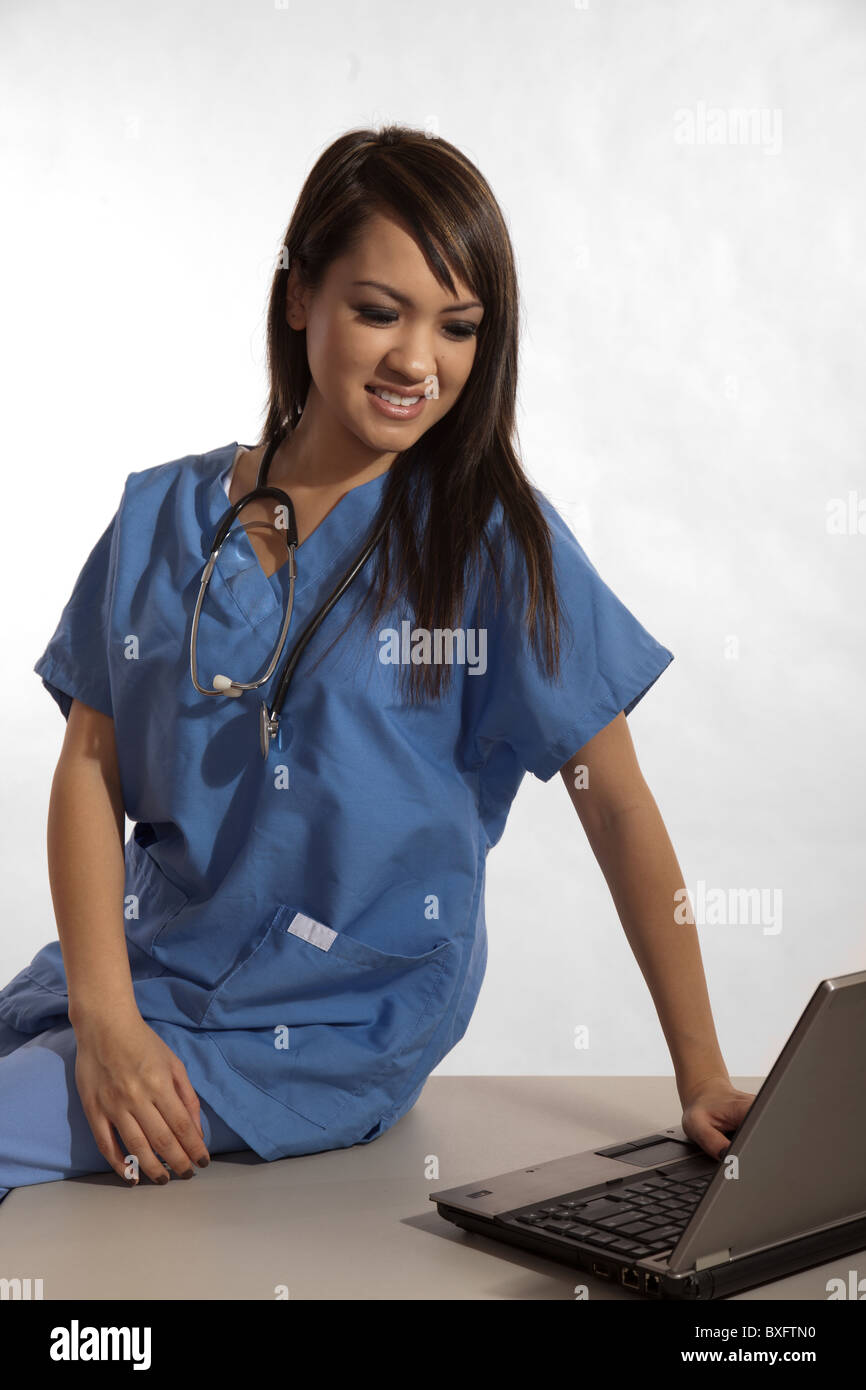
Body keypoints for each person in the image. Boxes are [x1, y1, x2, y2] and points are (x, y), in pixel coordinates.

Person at [0, 125, 755, 1202]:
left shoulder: (491, 543)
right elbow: (90, 768)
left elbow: (618, 807)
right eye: (378, 311)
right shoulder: (161, 515)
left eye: (458, 327)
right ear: (299, 294)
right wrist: (105, 1016)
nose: (417, 362)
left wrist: (702, 1073)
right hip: (147, 970)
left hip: (333, 1016)